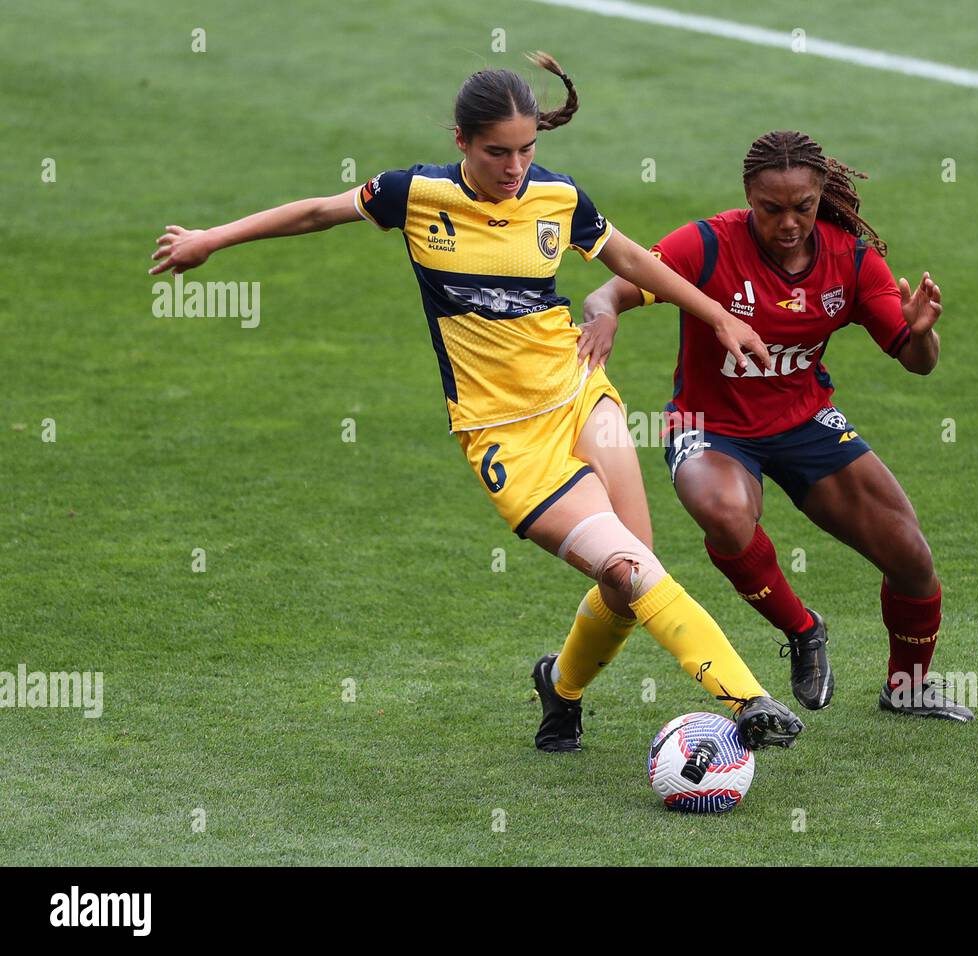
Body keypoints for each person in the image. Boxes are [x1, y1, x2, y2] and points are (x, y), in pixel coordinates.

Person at [148, 56, 806, 751]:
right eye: (498, 152)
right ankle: (747, 697)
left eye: (527, 149)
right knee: (628, 574)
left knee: (633, 575)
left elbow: (635, 262)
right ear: (461, 142)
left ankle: (563, 686)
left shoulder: (558, 198)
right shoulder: (415, 195)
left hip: (580, 394)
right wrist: (210, 240)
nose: (515, 166)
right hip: (504, 435)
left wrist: (719, 318)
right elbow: (317, 211)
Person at [577, 129, 973, 721]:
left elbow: (919, 365)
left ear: (820, 199)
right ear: (748, 198)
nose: (789, 223)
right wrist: (605, 316)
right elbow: (606, 292)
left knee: (911, 558)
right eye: (772, 209)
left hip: (807, 423)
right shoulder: (707, 245)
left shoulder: (851, 260)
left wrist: (921, 334)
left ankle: (907, 688)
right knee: (724, 510)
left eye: (804, 208)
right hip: (713, 429)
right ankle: (803, 629)